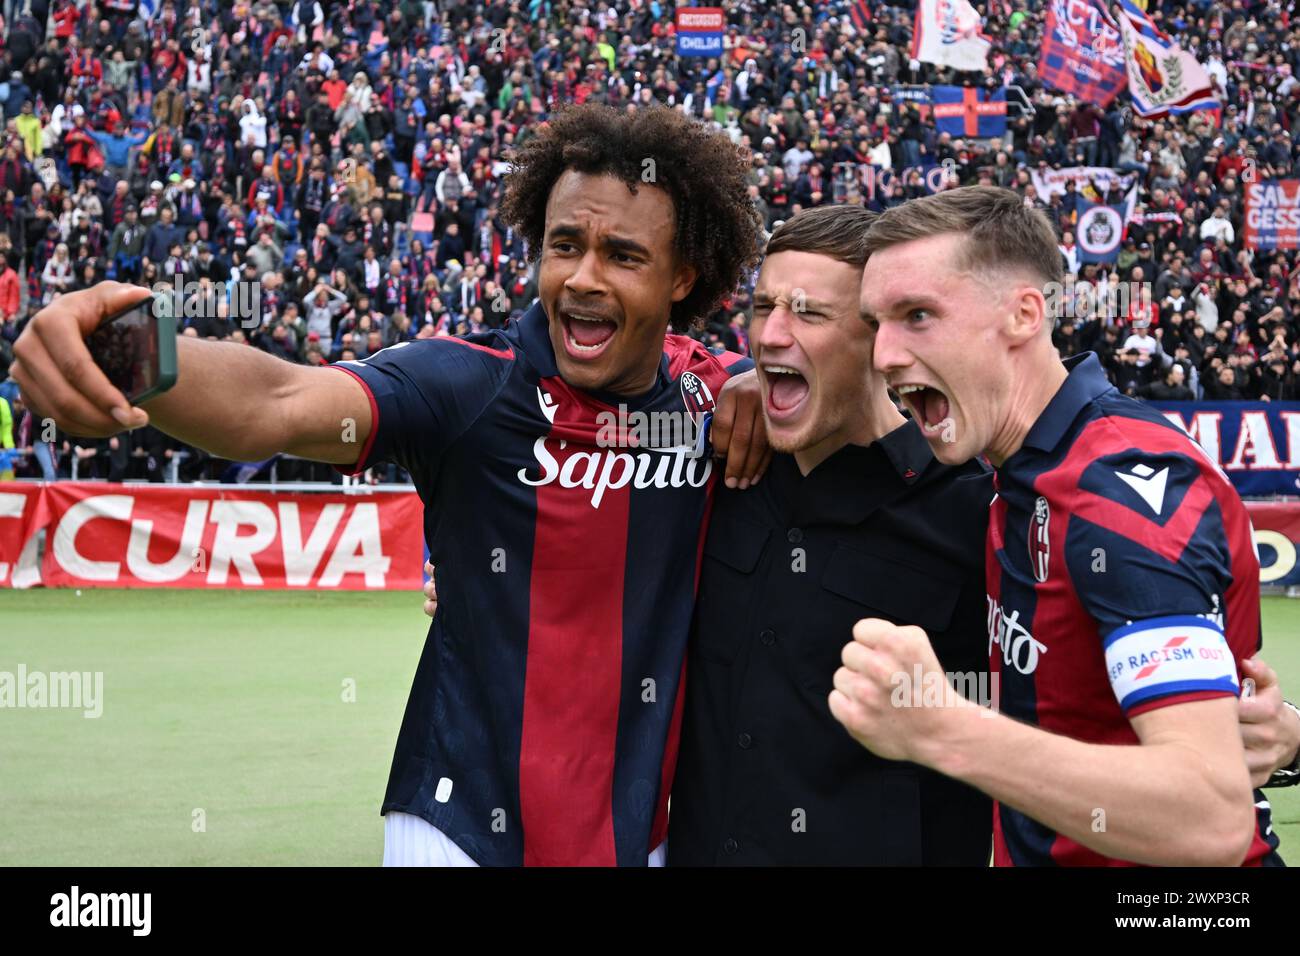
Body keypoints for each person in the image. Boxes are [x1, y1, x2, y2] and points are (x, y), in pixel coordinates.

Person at [12, 103, 769, 868]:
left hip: (646, 832)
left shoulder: (719, 398)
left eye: (623, 256)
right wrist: (122, 349)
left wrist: (763, 383)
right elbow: (278, 400)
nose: (581, 277)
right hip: (457, 825)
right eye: (563, 245)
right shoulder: (470, 383)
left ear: (683, 277)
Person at [836, 186, 1284, 866]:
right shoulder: (1018, 465)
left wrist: (944, 731)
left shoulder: (1116, 491)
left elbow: (1210, 815)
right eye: (877, 325)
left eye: (918, 316)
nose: (885, 355)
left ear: (1023, 314)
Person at [666, 204, 994, 865]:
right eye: (764, 308)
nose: (772, 335)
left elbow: (1036, 703)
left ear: (883, 341)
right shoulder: (714, 472)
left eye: (809, 313)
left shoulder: (972, 513)